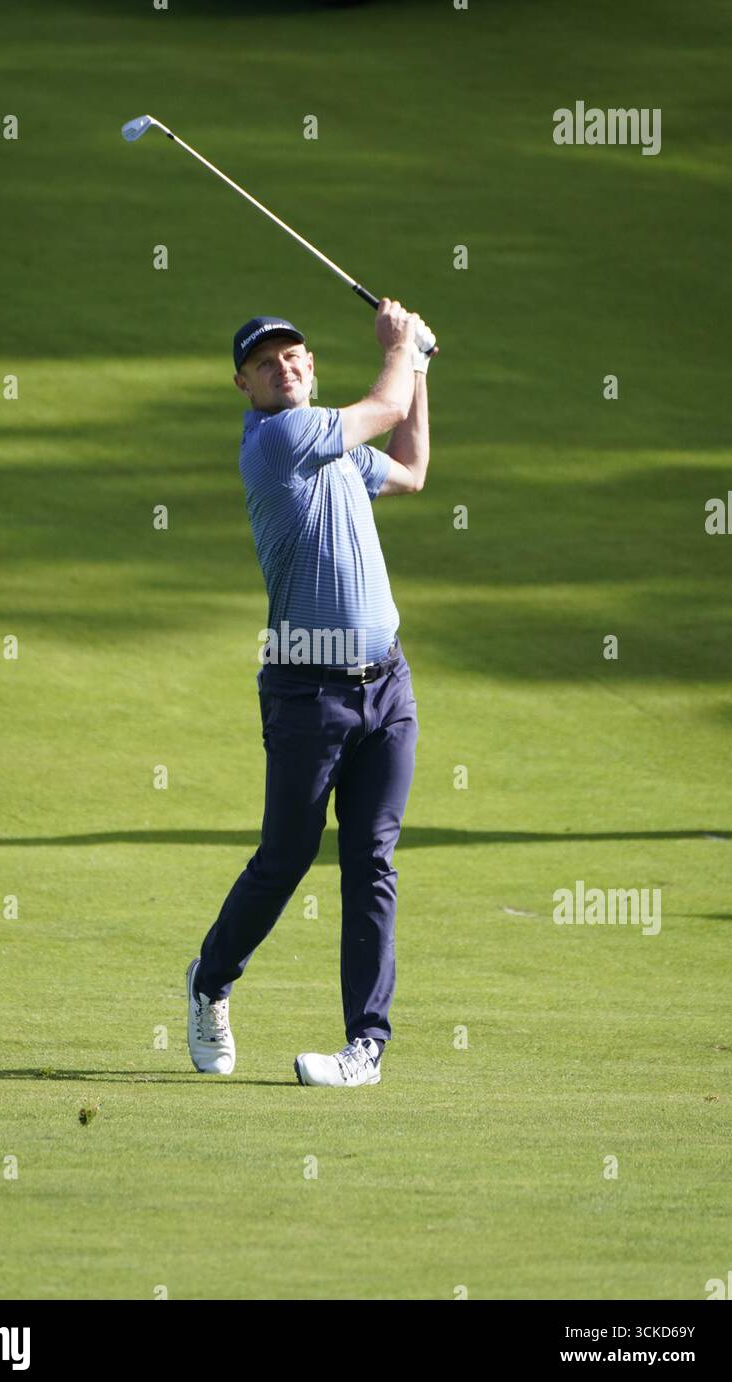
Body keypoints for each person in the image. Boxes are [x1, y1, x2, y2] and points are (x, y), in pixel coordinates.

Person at [186, 299, 433, 1086]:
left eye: (294, 357)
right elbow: (385, 403)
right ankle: (210, 982)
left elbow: (413, 468)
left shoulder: (337, 447)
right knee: (287, 856)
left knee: (371, 862)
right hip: (306, 689)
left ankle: (366, 1046)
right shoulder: (281, 440)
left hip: (385, 685)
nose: (283, 367)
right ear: (243, 385)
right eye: (266, 363)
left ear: (311, 366)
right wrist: (402, 347)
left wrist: (419, 368)